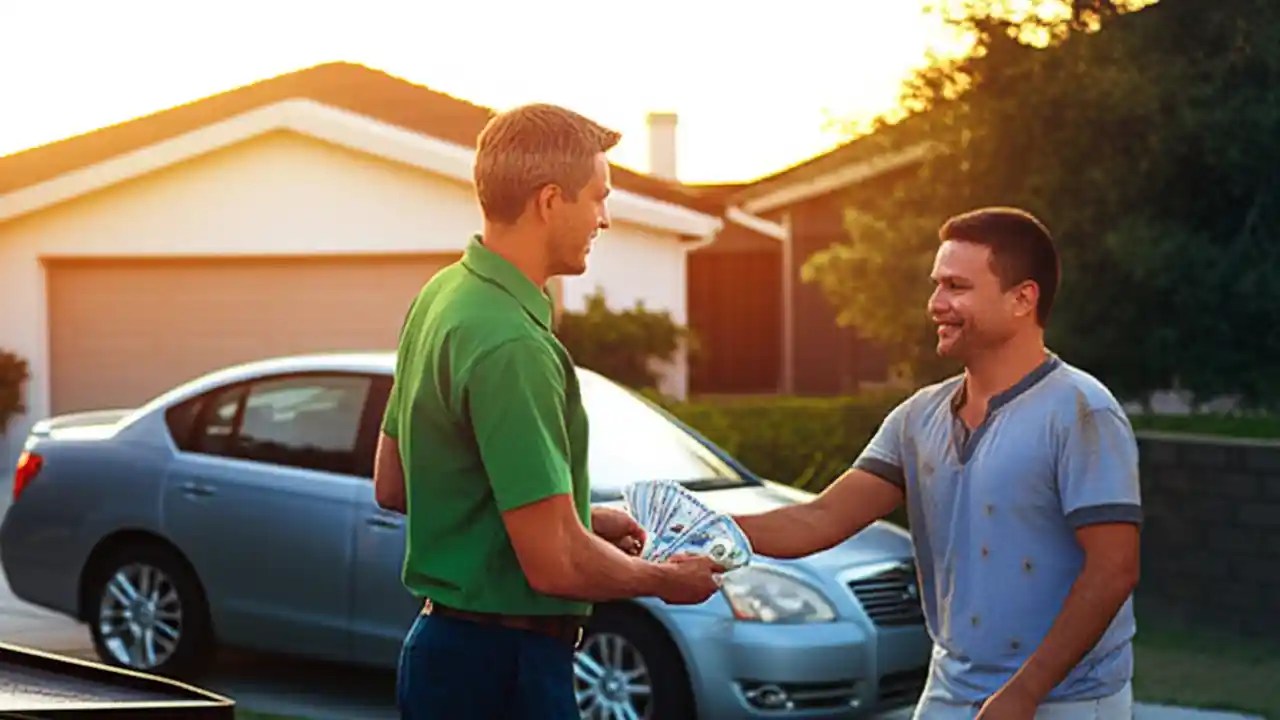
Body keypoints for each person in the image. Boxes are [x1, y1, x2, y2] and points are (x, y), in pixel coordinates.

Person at [372, 103, 724, 720]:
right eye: (597, 197)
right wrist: (666, 581)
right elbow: (555, 564)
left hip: (439, 656)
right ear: (549, 200)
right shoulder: (513, 345)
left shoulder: (444, 295)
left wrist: (581, 517)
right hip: (505, 670)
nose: (605, 219)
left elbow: (398, 484)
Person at [734, 207, 1142, 719]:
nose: (936, 304)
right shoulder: (917, 417)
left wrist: (1025, 692)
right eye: (937, 285)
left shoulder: (1083, 411)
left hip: (1067, 700)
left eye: (957, 287)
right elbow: (816, 520)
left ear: (1022, 298)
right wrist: (692, 528)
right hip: (952, 690)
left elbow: (1113, 570)